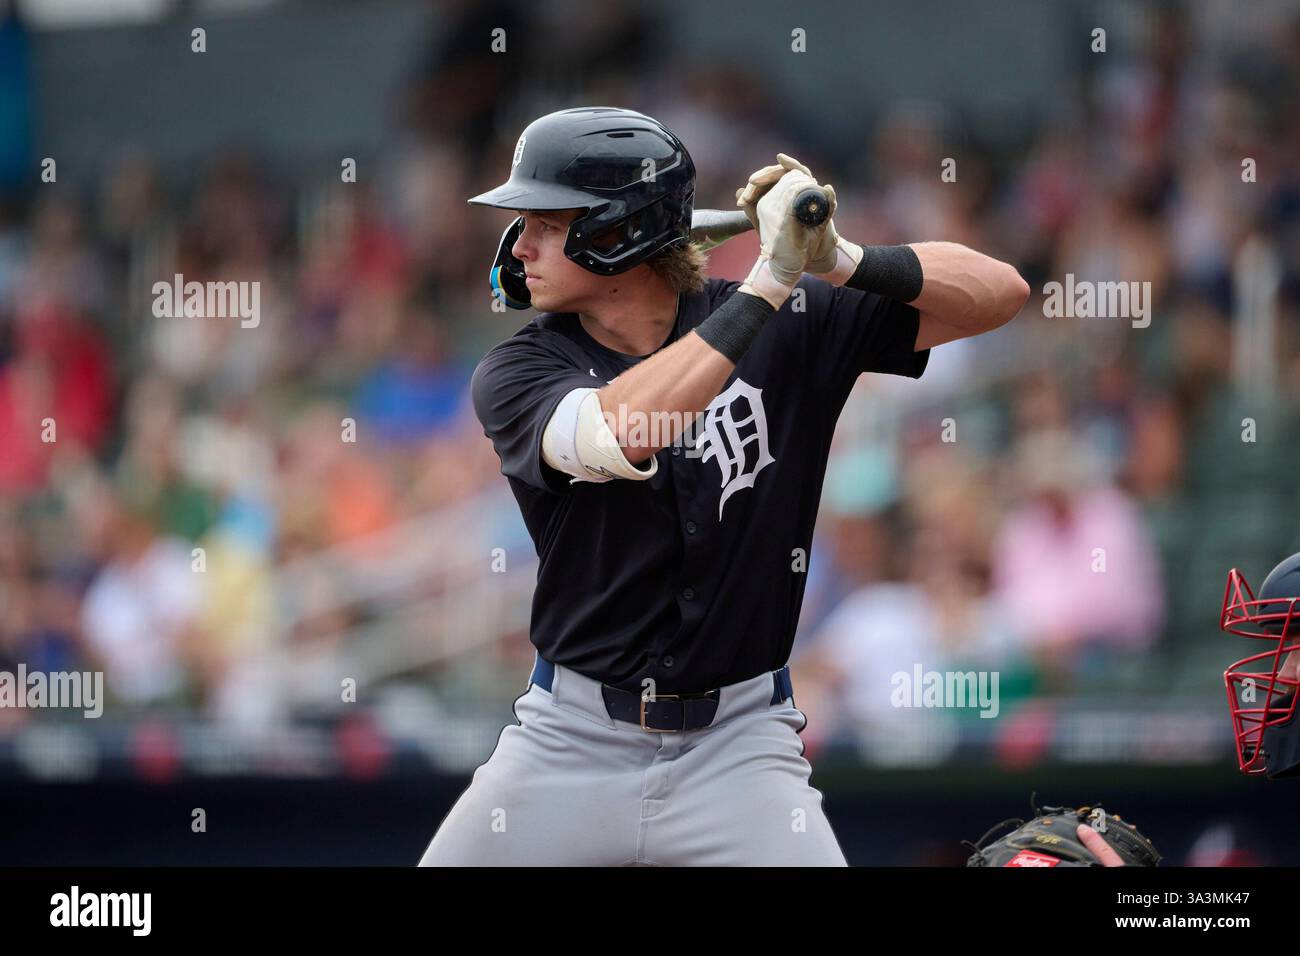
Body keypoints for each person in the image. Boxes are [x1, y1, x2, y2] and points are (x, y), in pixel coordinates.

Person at [419, 106, 1029, 866]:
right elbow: (619, 430)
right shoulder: (515, 370)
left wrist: (838, 258)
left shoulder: (794, 315)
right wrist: (769, 281)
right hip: (566, 742)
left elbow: (1000, 292)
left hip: (740, 748)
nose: (522, 244)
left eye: (547, 221)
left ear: (618, 233)